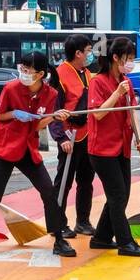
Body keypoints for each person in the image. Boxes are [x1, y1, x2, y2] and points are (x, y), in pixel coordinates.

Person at [0, 51, 74, 257]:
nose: (22, 72)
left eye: (27, 69)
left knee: (48, 191)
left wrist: (53, 117)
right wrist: (15, 114)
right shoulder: (11, 88)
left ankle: (59, 239)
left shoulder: (50, 94)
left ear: (41, 74)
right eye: (22, 68)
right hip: (4, 148)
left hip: (28, 149)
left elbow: (38, 125)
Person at [86, 37, 140, 257]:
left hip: (122, 146)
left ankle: (102, 237)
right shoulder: (98, 82)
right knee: (117, 194)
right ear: (115, 57)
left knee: (121, 194)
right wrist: (117, 94)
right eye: (128, 58)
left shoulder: (127, 82)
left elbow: (132, 110)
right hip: (102, 149)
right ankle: (125, 242)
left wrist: (138, 137)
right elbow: (98, 113)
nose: (131, 62)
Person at [49, 34, 96, 236]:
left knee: (86, 181)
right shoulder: (59, 75)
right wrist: (61, 138)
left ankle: (83, 221)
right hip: (70, 136)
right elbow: (54, 109)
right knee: (64, 182)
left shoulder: (88, 73)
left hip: (88, 135)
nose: (91, 55)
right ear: (78, 53)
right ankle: (57, 223)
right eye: (88, 51)